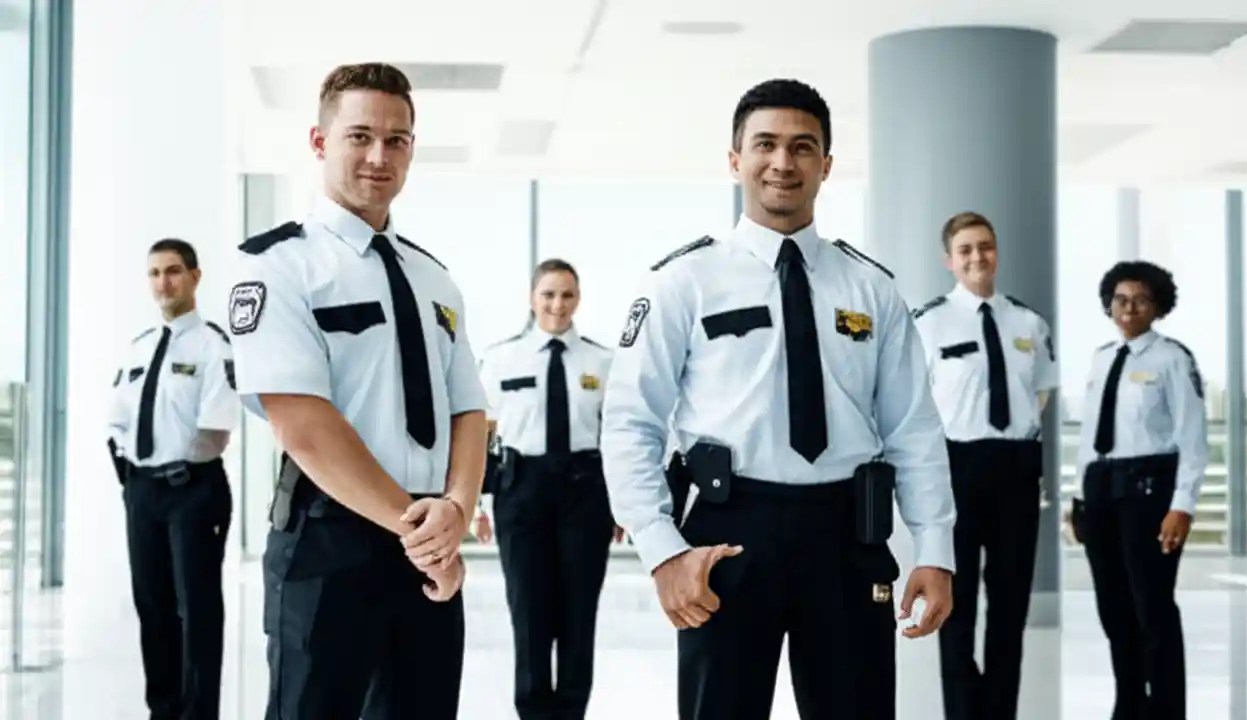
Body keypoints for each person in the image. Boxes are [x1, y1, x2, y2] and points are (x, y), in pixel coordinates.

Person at [600, 78, 957, 720]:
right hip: (728, 533)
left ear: (826, 163)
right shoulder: (684, 281)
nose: (783, 162)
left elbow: (914, 428)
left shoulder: (871, 288)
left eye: (802, 146)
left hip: (847, 533)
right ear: (735, 159)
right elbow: (630, 422)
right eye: (765, 144)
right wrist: (663, 551)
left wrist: (934, 548)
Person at [225, 62, 488, 719]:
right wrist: (423, 530)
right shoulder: (277, 265)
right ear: (320, 142)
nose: (379, 155)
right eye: (360, 135)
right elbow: (303, 425)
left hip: (427, 539)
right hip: (329, 543)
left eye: (397, 140)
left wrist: (455, 507)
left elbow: (468, 410)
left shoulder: (435, 280)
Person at [911, 211, 1059, 720]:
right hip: (957, 467)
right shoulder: (928, 323)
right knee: (956, 604)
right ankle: (962, 711)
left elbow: (1039, 394)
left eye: (986, 246)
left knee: (1010, 604)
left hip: (1016, 467)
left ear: (997, 252)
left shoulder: (1029, 323)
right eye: (967, 249)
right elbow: (916, 404)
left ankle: (1000, 711)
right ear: (949, 260)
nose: (979, 257)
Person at [475, 258, 624, 720]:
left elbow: (617, 434)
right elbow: (482, 436)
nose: (557, 304)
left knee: (579, 613)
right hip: (522, 492)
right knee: (529, 610)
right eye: (548, 294)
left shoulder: (602, 361)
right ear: (532, 298)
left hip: (586, 492)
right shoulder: (501, 359)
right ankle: (533, 711)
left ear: (578, 299)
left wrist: (622, 505)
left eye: (566, 295)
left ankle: (572, 711)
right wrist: (478, 504)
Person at [106, 238, 239, 720]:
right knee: (153, 605)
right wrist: (134, 476)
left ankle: (199, 713)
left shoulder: (213, 346)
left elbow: (215, 430)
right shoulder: (139, 348)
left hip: (193, 491)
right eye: (155, 273)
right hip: (143, 492)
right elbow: (116, 419)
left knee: (197, 608)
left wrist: (177, 470)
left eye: (173, 271)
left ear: (195, 277)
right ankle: (162, 710)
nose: (164, 282)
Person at [1073, 260, 1206, 720]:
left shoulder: (1173, 358)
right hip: (1101, 489)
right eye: (1121, 299)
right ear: (1109, 304)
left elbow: (1193, 438)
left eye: (1141, 300)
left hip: (1150, 490)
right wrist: (1079, 498)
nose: (1129, 307)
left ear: (1158, 307)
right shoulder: (1101, 357)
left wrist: (1182, 506)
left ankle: (1168, 708)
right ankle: (1128, 702)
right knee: (1113, 605)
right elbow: (1090, 434)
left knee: (1152, 605)